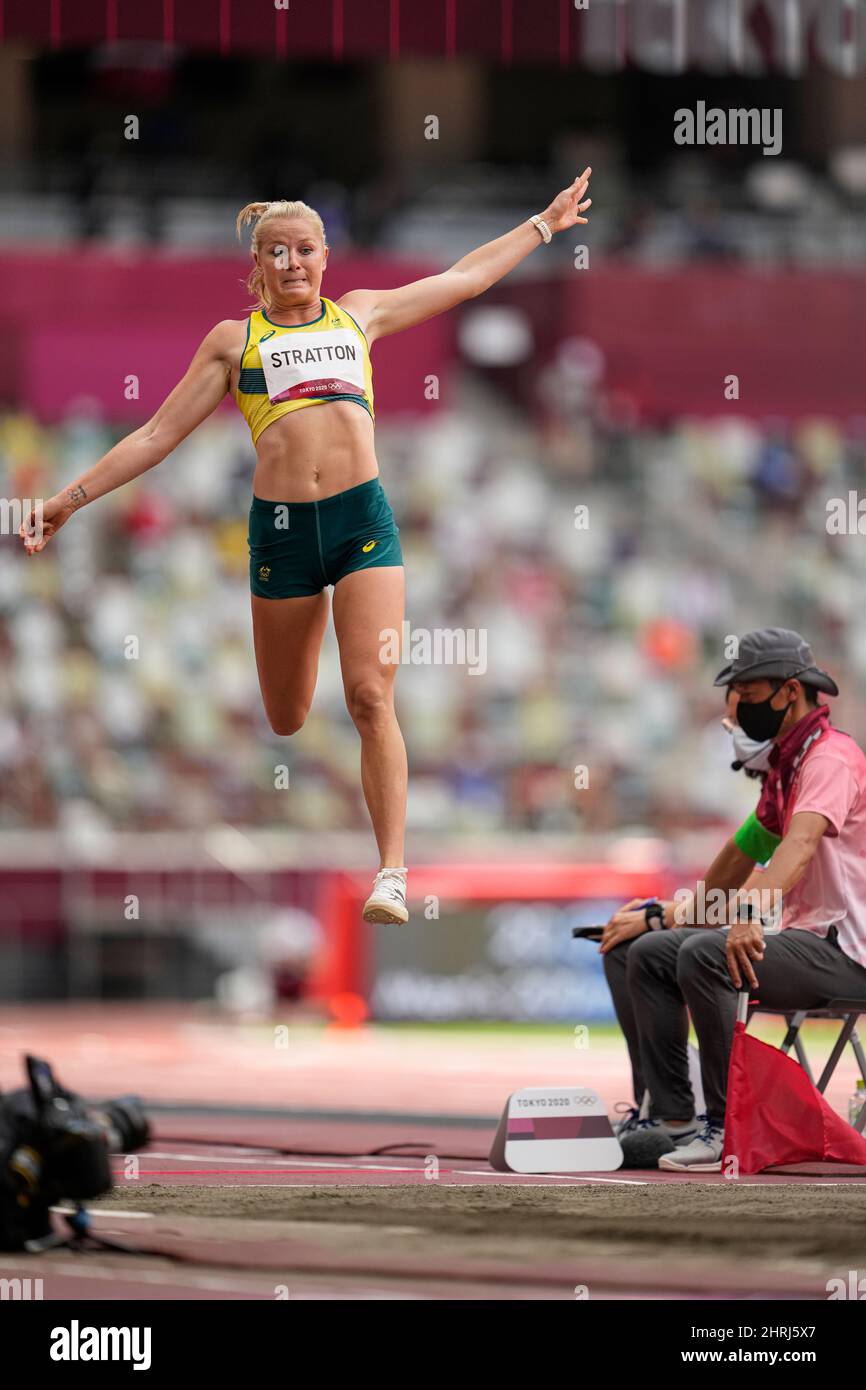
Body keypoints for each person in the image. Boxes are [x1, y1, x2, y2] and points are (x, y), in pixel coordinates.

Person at [18, 178, 592, 922]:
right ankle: (313, 686)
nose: (292, 263)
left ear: (326, 258)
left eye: (305, 249)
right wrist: (69, 499)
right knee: (286, 715)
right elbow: (157, 435)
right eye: (276, 253)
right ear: (258, 267)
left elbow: (465, 277)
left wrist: (543, 226)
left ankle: (392, 872)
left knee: (369, 694)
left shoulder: (361, 317)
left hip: (362, 525)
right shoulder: (236, 342)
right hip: (282, 537)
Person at [602, 628, 866, 1171]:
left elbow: (799, 847)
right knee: (648, 951)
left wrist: (745, 914)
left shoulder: (830, 760)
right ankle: (675, 1120)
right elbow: (732, 865)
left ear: (789, 692)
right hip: (808, 943)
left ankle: (728, 1126)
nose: (740, 706)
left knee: (704, 952)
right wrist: (659, 915)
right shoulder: (786, 772)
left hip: (848, 955)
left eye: (747, 693)